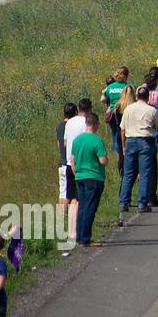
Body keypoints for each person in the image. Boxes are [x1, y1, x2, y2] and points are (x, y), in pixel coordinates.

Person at [119, 84, 158, 219]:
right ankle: (142, 203)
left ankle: (123, 202)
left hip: (130, 141)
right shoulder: (152, 110)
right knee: (145, 174)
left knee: (128, 173)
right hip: (145, 141)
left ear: (137, 96)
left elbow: (122, 129)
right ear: (148, 97)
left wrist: (123, 146)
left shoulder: (128, 109)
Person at [71, 111, 108, 249]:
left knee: (82, 207)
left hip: (80, 177)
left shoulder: (77, 140)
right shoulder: (97, 140)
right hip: (94, 177)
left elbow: (72, 161)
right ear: (96, 124)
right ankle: (86, 239)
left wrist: (77, 174)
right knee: (90, 208)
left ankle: (79, 237)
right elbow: (103, 160)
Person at [64, 98, 93, 245]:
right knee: (83, 200)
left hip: (69, 163)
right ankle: (80, 232)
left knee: (72, 200)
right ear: (89, 109)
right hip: (83, 165)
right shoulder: (86, 123)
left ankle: (71, 232)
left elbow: (64, 142)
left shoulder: (69, 122)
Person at [100, 67, 131, 171]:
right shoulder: (127, 87)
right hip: (125, 113)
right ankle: (124, 154)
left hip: (113, 114)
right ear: (126, 76)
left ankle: (117, 155)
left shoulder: (110, 87)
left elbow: (103, 99)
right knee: (125, 135)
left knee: (115, 134)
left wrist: (111, 101)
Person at [56, 102, 78, 247]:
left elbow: (59, 144)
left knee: (62, 192)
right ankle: (64, 220)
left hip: (61, 161)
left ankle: (61, 219)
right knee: (68, 195)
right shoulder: (73, 126)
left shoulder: (59, 126)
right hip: (69, 164)